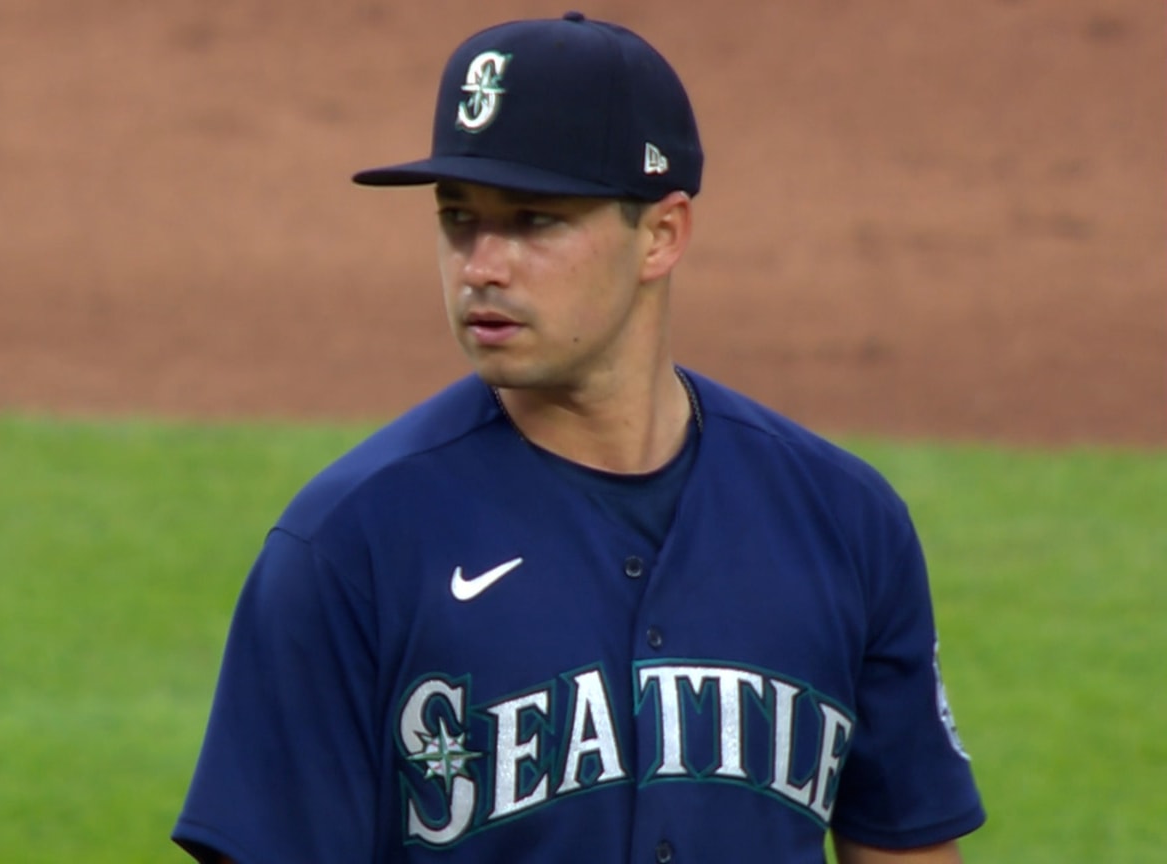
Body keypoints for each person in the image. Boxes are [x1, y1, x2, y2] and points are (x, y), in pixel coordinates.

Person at [172, 12, 984, 863]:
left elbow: (906, 845)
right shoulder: (348, 545)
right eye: (458, 217)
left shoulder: (845, 521)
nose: (482, 263)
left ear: (662, 235)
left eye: (533, 220)